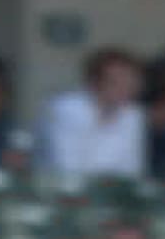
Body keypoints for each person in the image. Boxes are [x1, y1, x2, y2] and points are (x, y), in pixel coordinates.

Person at [39, 48, 148, 177]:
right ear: (93, 83)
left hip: (109, 187)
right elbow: (67, 167)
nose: (126, 88)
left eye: (131, 82)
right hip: (58, 185)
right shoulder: (65, 109)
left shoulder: (133, 115)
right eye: (116, 82)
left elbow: (131, 169)